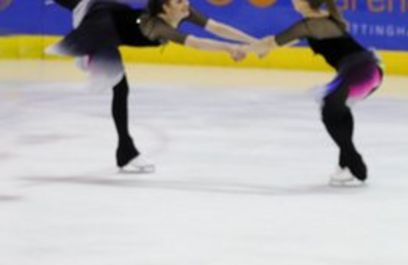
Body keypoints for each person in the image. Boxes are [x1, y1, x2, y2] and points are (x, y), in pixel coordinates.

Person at [47, 0, 254, 172]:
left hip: (107, 16)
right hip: (100, 27)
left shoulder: (182, 11)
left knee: (120, 88)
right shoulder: (156, 27)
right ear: (166, 8)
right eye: (179, 1)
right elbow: (196, 42)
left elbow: (216, 27)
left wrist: (253, 42)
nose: (186, 4)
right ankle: (89, 57)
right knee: (118, 83)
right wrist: (229, 48)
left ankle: (125, 152)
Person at [248, 0, 382, 185]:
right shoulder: (320, 21)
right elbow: (289, 41)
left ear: (305, 3)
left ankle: (352, 159)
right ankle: (345, 164)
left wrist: (240, 49)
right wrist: (265, 48)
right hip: (368, 71)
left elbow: (274, 41)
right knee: (337, 108)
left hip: (360, 72)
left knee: (330, 108)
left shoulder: (308, 25)